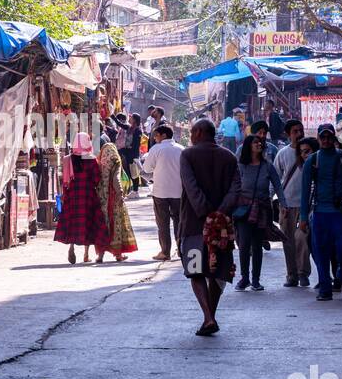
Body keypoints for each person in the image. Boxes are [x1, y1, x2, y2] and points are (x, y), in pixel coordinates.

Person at [180, 119, 241, 336]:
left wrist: (205, 211)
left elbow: (191, 187)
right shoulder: (229, 156)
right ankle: (210, 316)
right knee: (218, 271)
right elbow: (236, 189)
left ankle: (208, 317)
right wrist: (220, 211)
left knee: (195, 271)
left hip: (194, 225)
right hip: (222, 226)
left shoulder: (188, 155)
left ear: (198, 132)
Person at [299, 124, 342, 301]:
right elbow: (305, 192)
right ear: (319, 139)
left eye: (329, 137)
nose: (326, 140)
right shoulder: (312, 161)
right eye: (323, 137)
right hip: (320, 214)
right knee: (320, 253)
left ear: (333, 138)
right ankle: (325, 289)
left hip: (341, 213)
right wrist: (303, 217)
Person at [234, 134, 286, 291]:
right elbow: (234, 186)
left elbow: (278, 185)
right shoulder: (241, 166)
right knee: (244, 245)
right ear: (248, 146)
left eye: (261, 143)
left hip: (262, 209)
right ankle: (244, 278)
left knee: (257, 245)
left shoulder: (267, 166)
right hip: (243, 210)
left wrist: (283, 204)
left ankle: (255, 280)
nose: (259, 144)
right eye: (256, 142)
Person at [55, 132, 105, 264]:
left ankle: (71, 246)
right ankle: (86, 254)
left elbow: (64, 180)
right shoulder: (91, 159)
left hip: (72, 194)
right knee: (88, 222)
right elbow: (96, 179)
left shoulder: (68, 159)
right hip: (88, 195)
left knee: (73, 220)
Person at [273, 120, 313, 287]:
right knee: (288, 240)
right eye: (295, 131)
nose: (299, 134)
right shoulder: (282, 154)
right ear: (288, 134)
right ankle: (292, 275)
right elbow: (275, 179)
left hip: (307, 205)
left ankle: (303, 272)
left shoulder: (311, 152)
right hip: (287, 204)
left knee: (302, 239)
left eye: (301, 130)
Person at [140, 123, 183, 260]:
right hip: (179, 192)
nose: (155, 138)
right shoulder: (181, 149)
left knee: (163, 223)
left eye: (156, 136)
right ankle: (181, 249)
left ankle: (165, 252)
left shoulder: (156, 149)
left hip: (160, 192)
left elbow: (146, 169)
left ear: (163, 135)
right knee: (179, 221)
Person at [96, 141, 138, 262]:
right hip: (114, 198)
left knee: (103, 224)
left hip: (102, 197)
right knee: (117, 224)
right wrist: (120, 194)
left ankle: (100, 255)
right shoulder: (116, 161)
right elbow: (116, 179)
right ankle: (118, 255)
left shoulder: (100, 162)